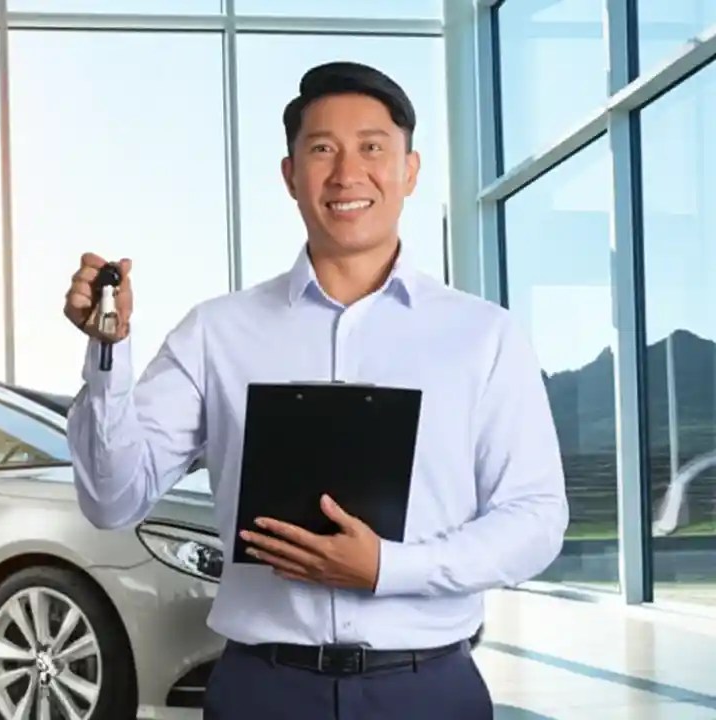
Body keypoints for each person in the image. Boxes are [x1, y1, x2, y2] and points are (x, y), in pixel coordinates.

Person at [62, 61, 568, 719]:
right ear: (290, 175)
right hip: (263, 690)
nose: (347, 172)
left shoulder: (483, 335)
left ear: (409, 171)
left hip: (428, 688)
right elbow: (111, 499)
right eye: (322, 149)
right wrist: (109, 352)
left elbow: (535, 519)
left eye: (372, 148)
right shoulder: (218, 332)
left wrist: (388, 568)